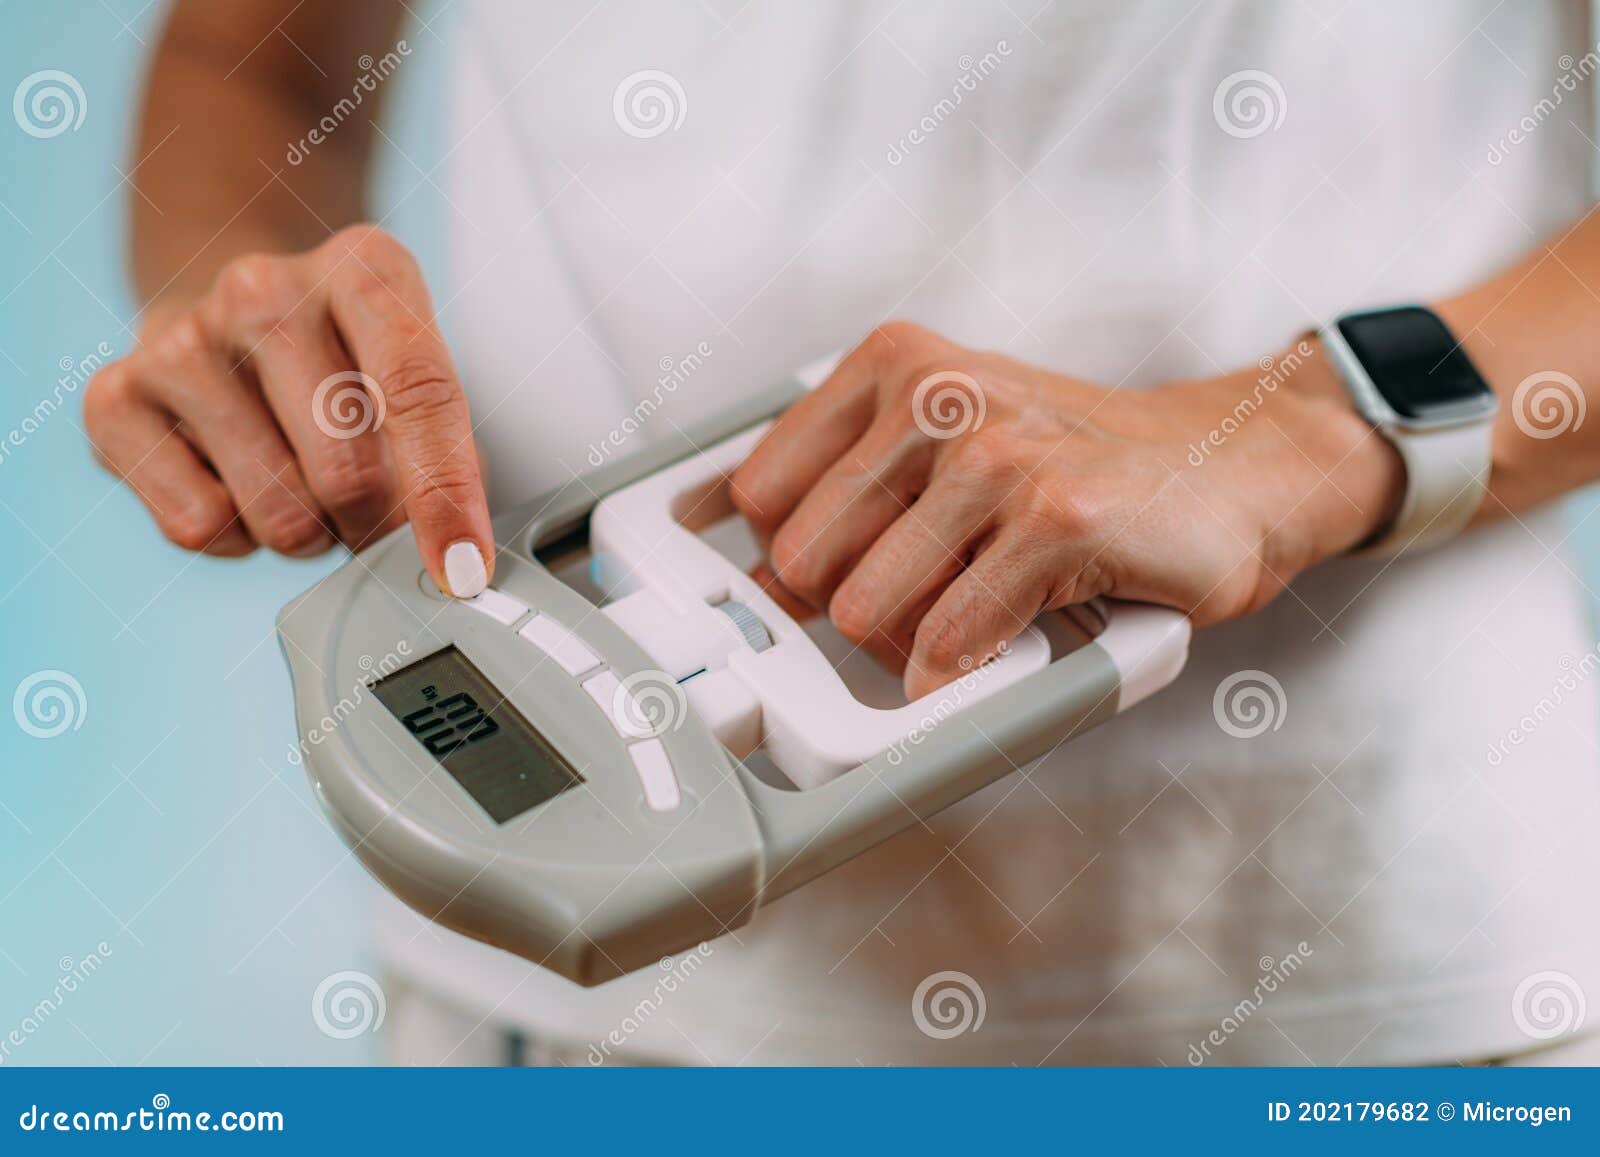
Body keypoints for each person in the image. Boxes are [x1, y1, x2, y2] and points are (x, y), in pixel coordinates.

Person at [88, 0, 1600, 1065]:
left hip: (1357, 974)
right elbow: (248, 63)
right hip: (554, 978)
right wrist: (247, 296)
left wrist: (1315, 424)